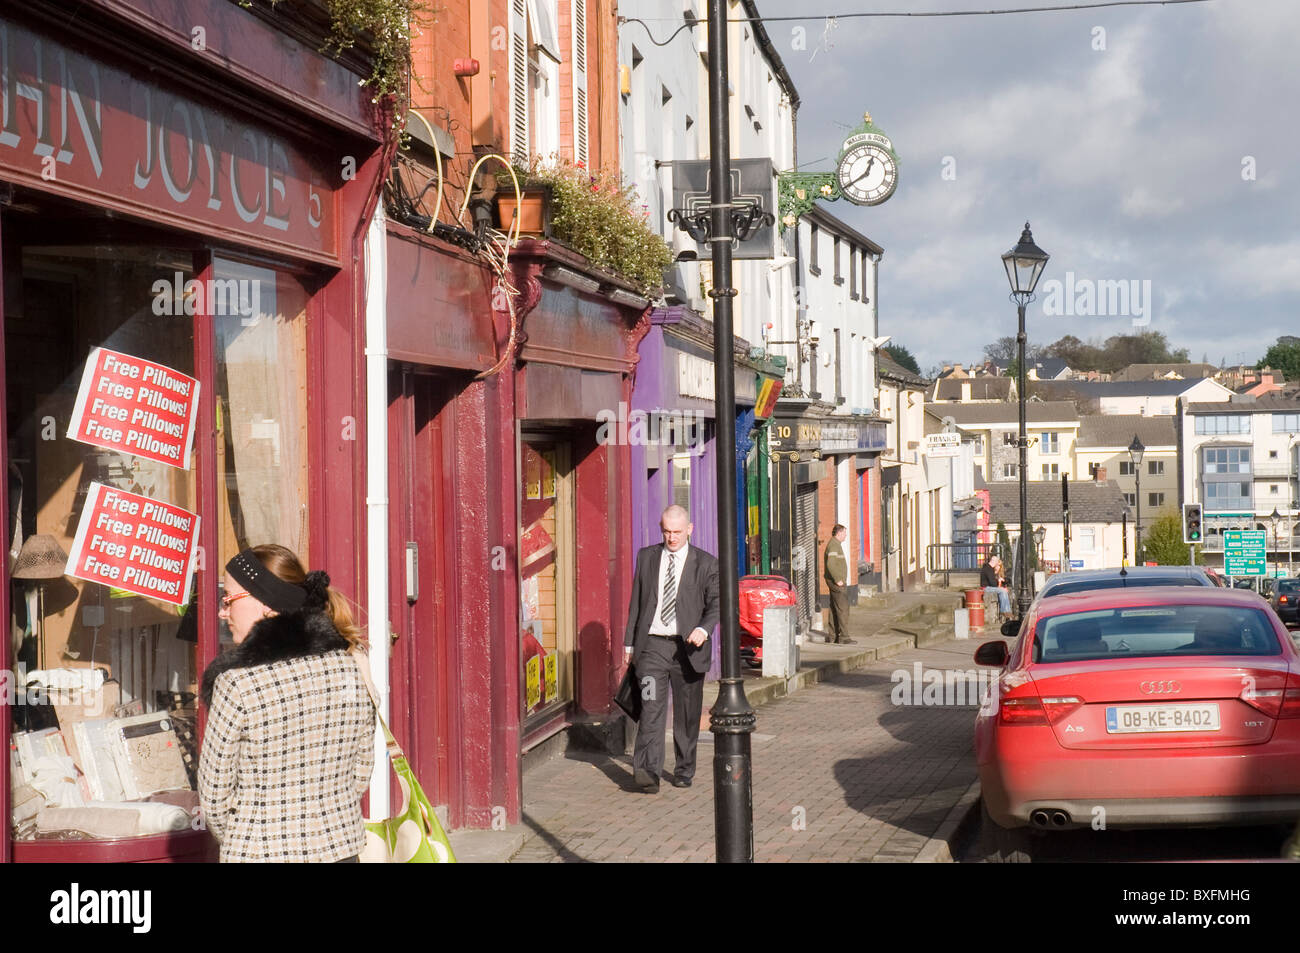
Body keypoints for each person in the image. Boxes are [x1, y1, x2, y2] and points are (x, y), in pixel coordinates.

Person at [199, 544, 376, 863]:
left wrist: (250, 835)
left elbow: (214, 798)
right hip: (341, 850)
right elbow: (361, 769)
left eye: (228, 599)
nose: (222, 612)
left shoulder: (237, 684)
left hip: (261, 853)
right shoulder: (350, 667)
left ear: (267, 605)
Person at [623, 505, 719, 793]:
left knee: (687, 713)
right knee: (651, 707)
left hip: (688, 648)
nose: (671, 537)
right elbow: (637, 603)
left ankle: (684, 768)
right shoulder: (647, 557)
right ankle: (647, 772)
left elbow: (715, 603)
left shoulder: (706, 563)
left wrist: (704, 629)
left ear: (689, 529)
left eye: (677, 532)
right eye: (666, 531)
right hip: (653, 646)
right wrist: (629, 644)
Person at [824, 524, 855, 645]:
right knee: (843, 609)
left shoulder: (835, 544)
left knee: (833, 608)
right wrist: (838, 579)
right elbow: (830, 564)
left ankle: (833, 636)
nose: (846, 535)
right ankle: (844, 637)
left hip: (833, 581)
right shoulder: (834, 545)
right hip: (836, 582)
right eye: (844, 533)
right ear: (839, 533)